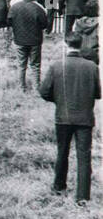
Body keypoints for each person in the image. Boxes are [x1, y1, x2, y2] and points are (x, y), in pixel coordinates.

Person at [39, 31, 100, 205]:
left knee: (62, 152)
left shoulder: (56, 66)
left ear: (65, 45)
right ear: (80, 46)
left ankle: (59, 187)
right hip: (85, 118)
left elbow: (44, 91)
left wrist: (58, 100)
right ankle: (82, 196)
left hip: (63, 116)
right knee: (84, 156)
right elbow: (98, 92)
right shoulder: (92, 67)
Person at [10, 0, 50, 91]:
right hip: (35, 40)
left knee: (21, 65)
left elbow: (9, 20)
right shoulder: (38, 8)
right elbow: (44, 24)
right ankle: (36, 87)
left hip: (19, 39)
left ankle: (21, 87)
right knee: (35, 65)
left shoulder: (15, 7)